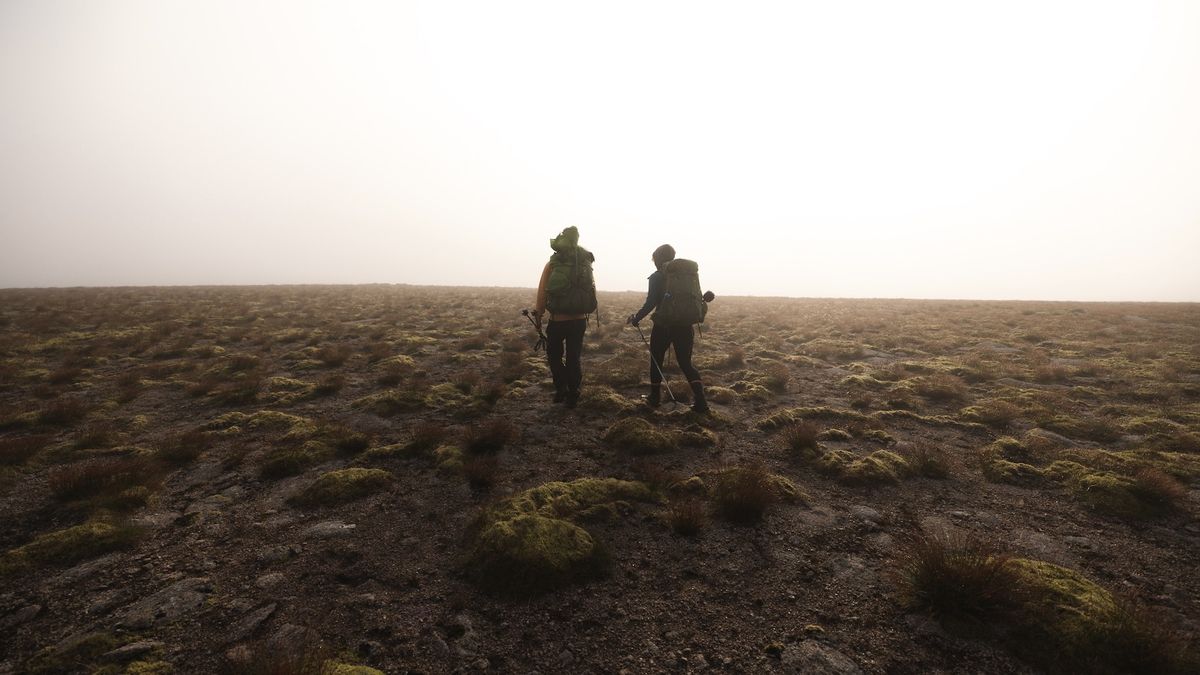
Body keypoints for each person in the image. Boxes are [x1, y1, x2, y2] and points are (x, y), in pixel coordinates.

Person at [627, 244, 714, 413]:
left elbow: (651, 302)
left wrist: (636, 318)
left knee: (656, 360)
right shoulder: (688, 276)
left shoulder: (657, 276)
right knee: (686, 364)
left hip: (663, 326)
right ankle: (701, 402)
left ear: (658, 259)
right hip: (685, 326)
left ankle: (654, 398)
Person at [533, 226, 597, 408]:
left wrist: (538, 317)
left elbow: (542, 294)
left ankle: (561, 388)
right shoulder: (585, 264)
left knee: (554, 356)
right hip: (579, 321)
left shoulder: (552, 264)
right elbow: (591, 290)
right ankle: (573, 391)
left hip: (558, 321)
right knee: (573, 357)